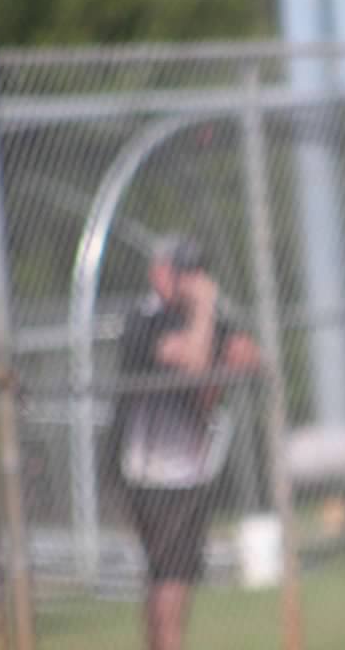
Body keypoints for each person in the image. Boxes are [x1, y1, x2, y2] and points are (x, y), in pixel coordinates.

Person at [107, 235, 260, 650]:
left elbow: (250, 356)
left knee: (166, 579)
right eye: (184, 271)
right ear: (160, 273)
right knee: (171, 580)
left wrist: (227, 348)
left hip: (187, 470)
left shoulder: (197, 321)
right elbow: (194, 363)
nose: (193, 280)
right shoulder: (146, 320)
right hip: (155, 473)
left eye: (197, 271)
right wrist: (207, 309)